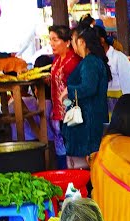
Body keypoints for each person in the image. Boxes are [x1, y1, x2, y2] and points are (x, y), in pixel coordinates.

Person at [62, 26, 110, 169]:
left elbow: (89, 88)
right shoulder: (93, 61)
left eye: (72, 40)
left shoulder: (90, 62)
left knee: (84, 166)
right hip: (91, 119)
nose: (71, 43)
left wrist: (68, 91)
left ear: (81, 42)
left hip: (87, 123)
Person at [48, 26, 80, 166]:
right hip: (58, 112)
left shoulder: (73, 60)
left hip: (70, 112)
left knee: (71, 148)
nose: (51, 43)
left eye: (55, 40)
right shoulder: (56, 59)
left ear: (67, 42)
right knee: (61, 149)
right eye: (50, 40)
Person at [104, 30, 130, 99]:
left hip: (121, 104)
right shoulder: (97, 59)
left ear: (101, 41)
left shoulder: (119, 58)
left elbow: (128, 87)